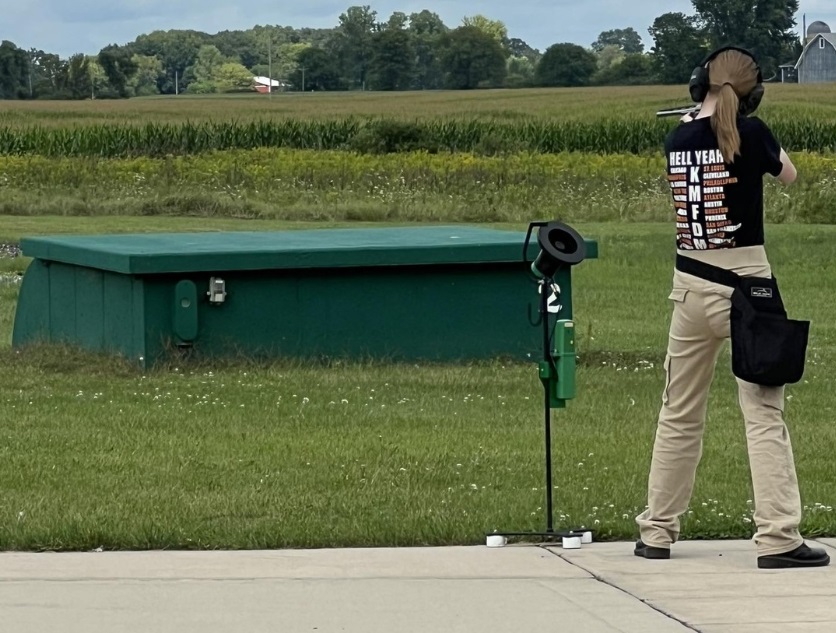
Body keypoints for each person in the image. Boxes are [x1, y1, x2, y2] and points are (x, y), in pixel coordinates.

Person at [633, 47, 830, 569]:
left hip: (689, 287)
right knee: (763, 415)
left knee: (678, 412)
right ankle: (778, 538)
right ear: (750, 94)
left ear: (698, 85)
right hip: (748, 289)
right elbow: (789, 175)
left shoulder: (676, 138)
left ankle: (657, 530)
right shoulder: (753, 133)